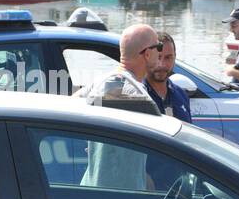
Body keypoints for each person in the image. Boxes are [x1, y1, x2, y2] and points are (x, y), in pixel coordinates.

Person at [76, 24, 162, 190]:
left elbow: (69, 105)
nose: (160, 52)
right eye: (158, 46)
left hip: (93, 188)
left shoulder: (102, 81)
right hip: (119, 197)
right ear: (147, 53)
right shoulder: (131, 91)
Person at [144, 31, 192, 123]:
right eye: (158, 57)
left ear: (175, 57)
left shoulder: (182, 95)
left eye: (168, 57)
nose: (162, 64)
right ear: (147, 56)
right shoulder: (136, 95)